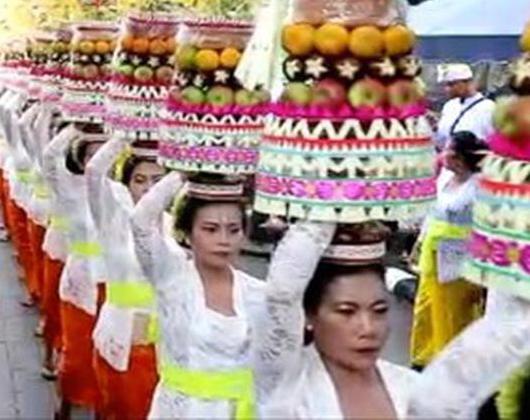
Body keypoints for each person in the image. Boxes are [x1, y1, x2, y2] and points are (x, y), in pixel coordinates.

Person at [131, 171, 264, 419]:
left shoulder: (258, 293)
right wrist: (181, 173)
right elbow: (140, 221)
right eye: (210, 229)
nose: (223, 240)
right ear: (187, 233)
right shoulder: (171, 279)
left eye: (233, 230)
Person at [253, 222, 419, 418]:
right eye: (347, 312)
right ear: (308, 313)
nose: (368, 328)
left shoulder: (412, 388)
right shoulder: (288, 386)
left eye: (379, 311)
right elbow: (282, 293)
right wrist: (335, 203)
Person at [86, 136, 165, 420]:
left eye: (158, 181)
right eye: (140, 180)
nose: (149, 190)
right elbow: (95, 172)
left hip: (168, 348)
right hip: (123, 340)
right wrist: (127, 133)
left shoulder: (180, 231)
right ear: (126, 184)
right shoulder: (113, 222)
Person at [44, 124, 106, 418]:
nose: (97, 164)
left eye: (103, 157)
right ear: (80, 159)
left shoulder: (118, 196)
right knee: (76, 356)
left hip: (109, 286)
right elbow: (49, 155)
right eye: (92, 156)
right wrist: (74, 127)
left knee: (103, 360)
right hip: (80, 280)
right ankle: (63, 405)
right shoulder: (68, 189)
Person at [409, 131, 487, 368]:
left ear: (460, 157)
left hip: (459, 254)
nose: (442, 155)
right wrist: (419, 241)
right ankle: (423, 356)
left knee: (451, 310)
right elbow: (434, 213)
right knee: (426, 304)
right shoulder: (445, 179)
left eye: (448, 150)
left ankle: (450, 364)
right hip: (433, 249)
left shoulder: (480, 186)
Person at [433, 64, 494, 150]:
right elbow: (442, 138)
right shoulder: (449, 106)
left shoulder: (488, 108)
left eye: (451, 85)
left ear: (467, 82)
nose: (447, 89)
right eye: (446, 85)